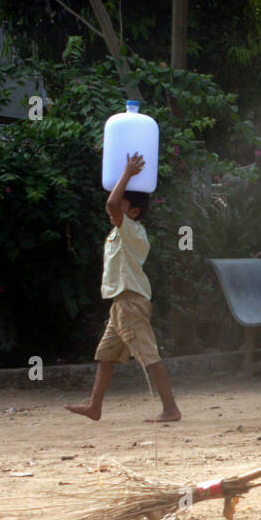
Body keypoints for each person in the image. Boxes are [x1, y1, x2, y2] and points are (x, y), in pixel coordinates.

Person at [66, 153, 181, 423]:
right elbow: (114, 205)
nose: (117, 208)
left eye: (124, 204)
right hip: (121, 303)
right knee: (105, 355)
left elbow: (111, 203)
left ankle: (170, 409)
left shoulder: (132, 230)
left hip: (130, 303)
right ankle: (95, 406)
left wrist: (128, 173)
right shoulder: (121, 231)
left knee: (149, 355)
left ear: (134, 211)